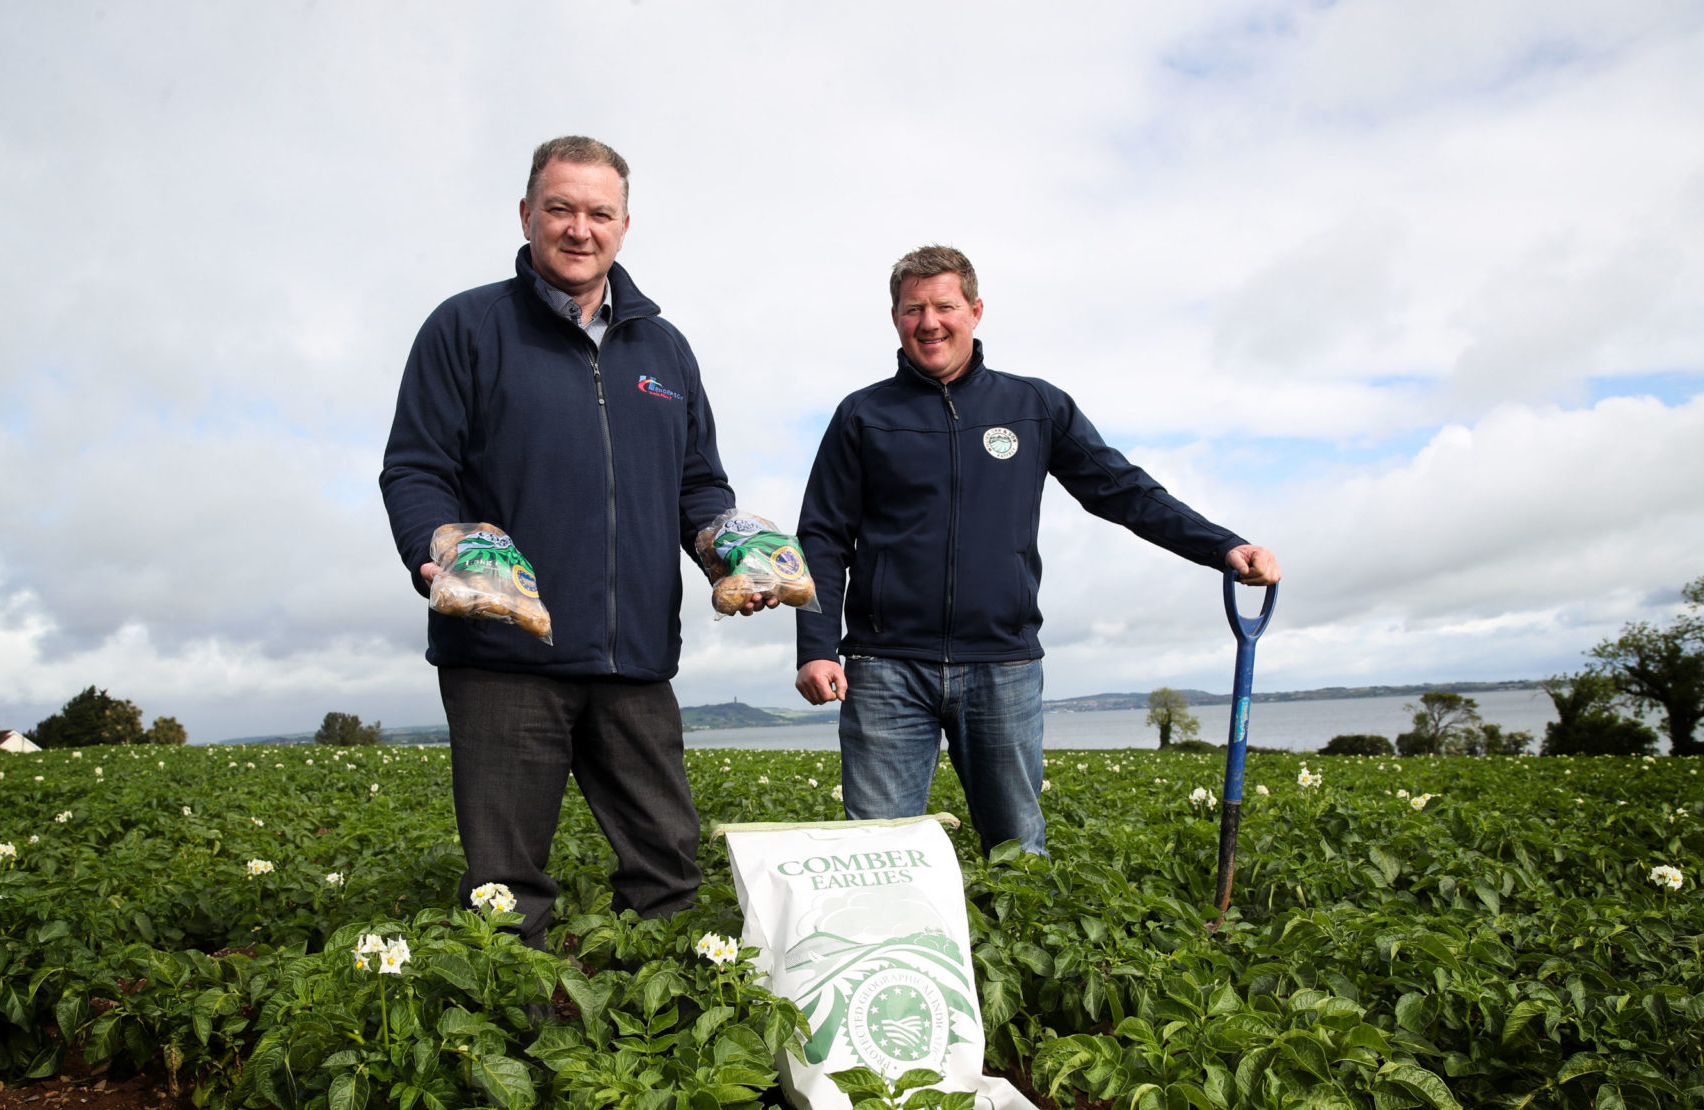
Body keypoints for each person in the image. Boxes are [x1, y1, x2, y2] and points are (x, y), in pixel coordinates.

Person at [380, 136, 767, 950]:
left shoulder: (665, 350)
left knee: (668, 866)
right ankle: (513, 1025)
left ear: (625, 224)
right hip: (505, 654)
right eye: (560, 208)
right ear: (527, 214)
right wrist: (434, 553)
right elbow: (416, 468)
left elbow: (699, 484)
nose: (579, 229)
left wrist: (728, 551)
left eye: (599, 212)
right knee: (505, 887)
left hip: (635, 658)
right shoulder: (466, 327)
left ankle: (653, 1019)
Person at [794, 245, 1281, 854]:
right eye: (913, 309)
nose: (929, 323)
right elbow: (822, 537)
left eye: (944, 306)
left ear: (975, 311)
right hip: (885, 666)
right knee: (878, 852)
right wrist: (816, 647)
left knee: (1019, 855)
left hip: (1004, 664)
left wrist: (1223, 546)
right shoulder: (862, 415)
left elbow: (1123, 490)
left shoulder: (1034, 407)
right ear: (896, 318)